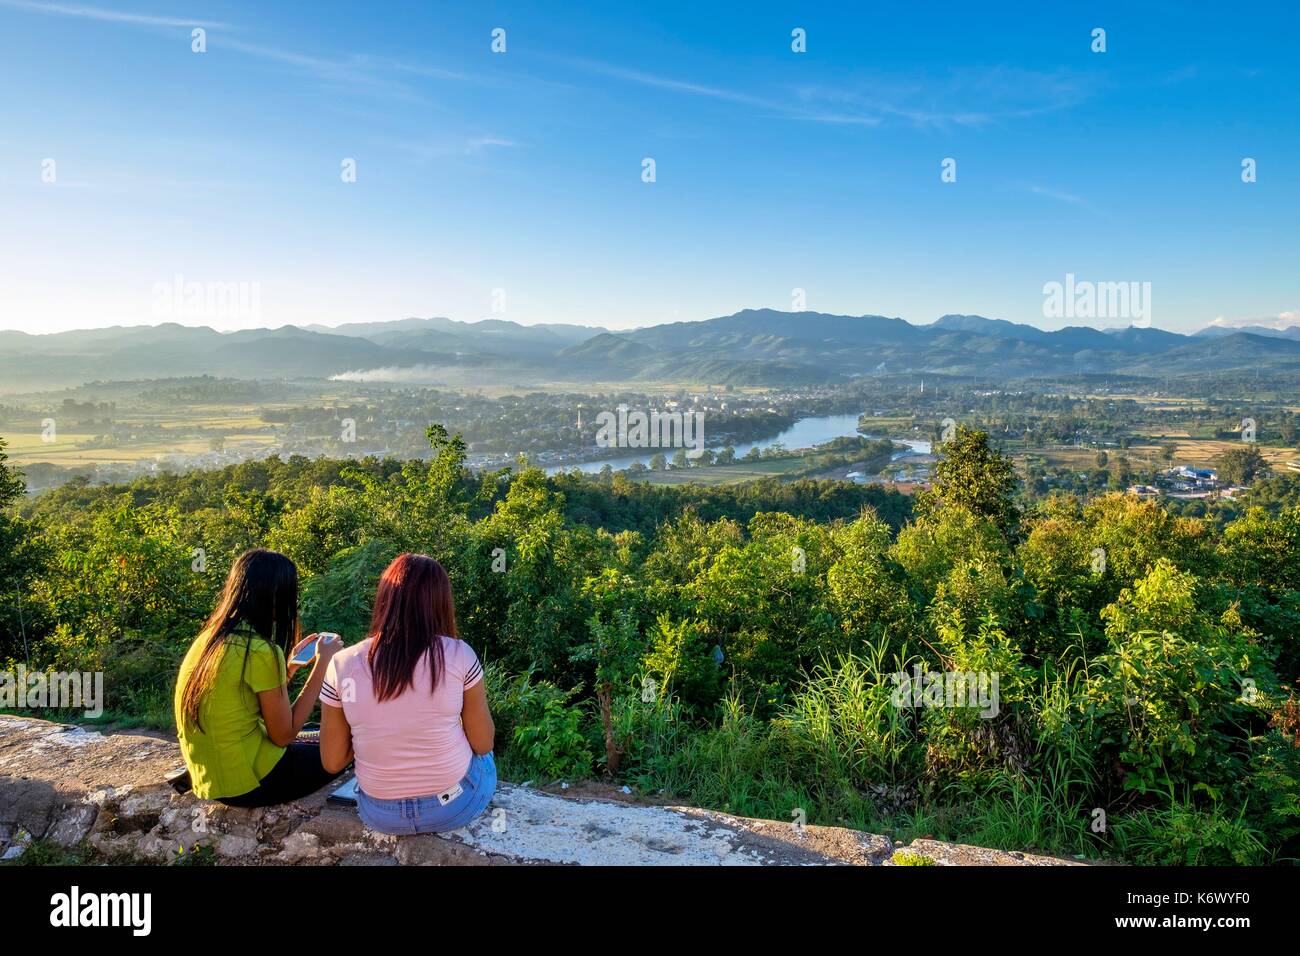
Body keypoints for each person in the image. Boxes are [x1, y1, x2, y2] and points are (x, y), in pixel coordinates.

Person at [319, 552, 496, 834]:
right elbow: (483, 743)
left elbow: (332, 761)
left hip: (379, 813)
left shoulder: (341, 664)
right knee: (485, 760)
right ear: (440, 603)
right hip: (451, 807)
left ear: (385, 599)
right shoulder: (459, 654)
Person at [175, 548, 345, 807]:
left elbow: (243, 702)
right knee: (345, 740)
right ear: (274, 597)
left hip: (209, 776)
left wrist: (287, 670)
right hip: (251, 785)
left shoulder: (208, 640)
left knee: (314, 731)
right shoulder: (259, 650)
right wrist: (323, 663)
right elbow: (284, 735)